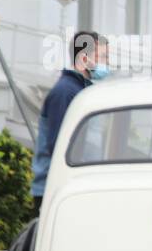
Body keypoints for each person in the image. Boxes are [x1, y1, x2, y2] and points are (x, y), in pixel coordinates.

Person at [32, 31, 109, 211]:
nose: (106, 63)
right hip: (56, 192)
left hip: (71, 189)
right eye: (102, 57)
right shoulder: (66, 92)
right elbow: (58, 145)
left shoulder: (80, 90)